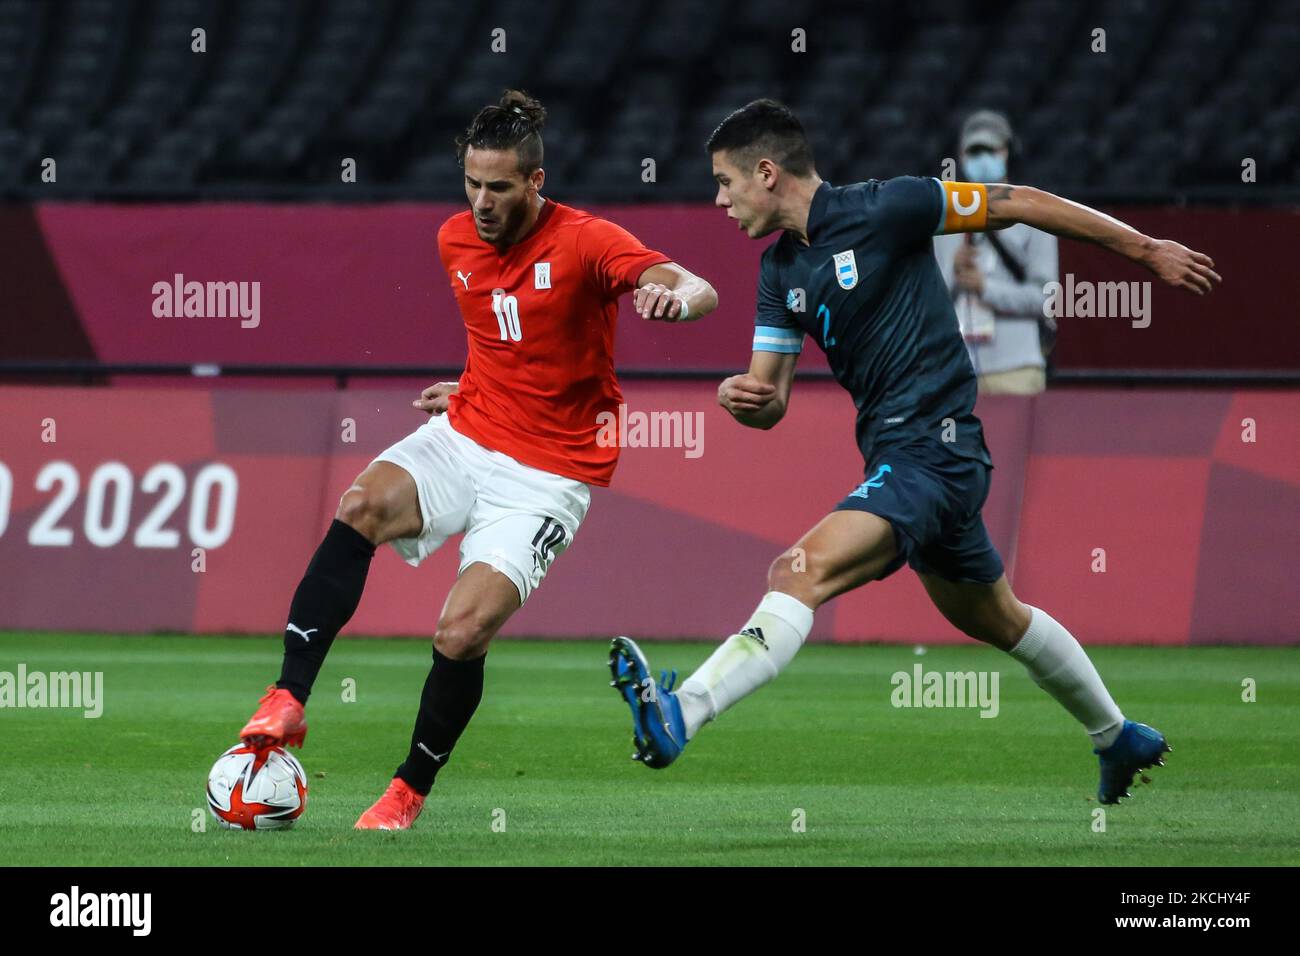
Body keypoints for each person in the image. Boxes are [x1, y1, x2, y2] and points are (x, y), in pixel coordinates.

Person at [611, 99, 1218, 804]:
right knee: (997, 617)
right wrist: (745, 400)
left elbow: (1016, 201)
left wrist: (1146, 250)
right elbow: (770, 400)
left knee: (796, 570)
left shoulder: (886, 207)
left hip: (937, 449)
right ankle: (1117, 736)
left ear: (767, 173)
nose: (718, 200)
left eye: (724, 181)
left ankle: (680, 714)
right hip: (902, 460)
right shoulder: (779, 275)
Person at [239, 89, 718, 830]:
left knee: (460, 633)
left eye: (499, 187)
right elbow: (514, 339)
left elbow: (697, 286)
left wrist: (674, 300)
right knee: (361, 505)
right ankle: (288, 697)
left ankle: (407, 791)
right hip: (467, 433)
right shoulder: (454, 240)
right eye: (472, 184)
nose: (482, 202)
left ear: (536, 181)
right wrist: (469, 386)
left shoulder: (588, 242)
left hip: (548, 476)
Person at [934, 110, 1057, 395]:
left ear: (1008, 153)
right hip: (954, 370)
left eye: (990, 149)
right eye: (973, 151)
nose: (982, 158)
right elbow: (930, 303)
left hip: (1016, 369)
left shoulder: (1035, 215)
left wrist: (986, 288)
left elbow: (1046, 299)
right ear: (961, 157)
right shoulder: (942, 219)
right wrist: (951, 274)